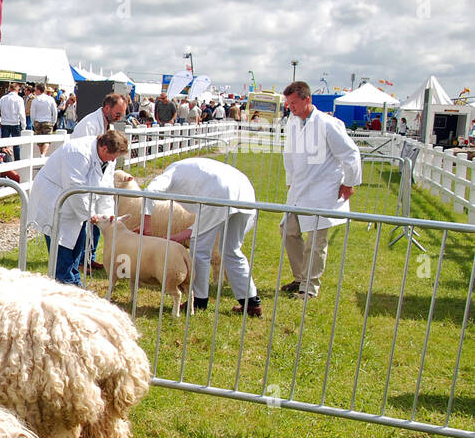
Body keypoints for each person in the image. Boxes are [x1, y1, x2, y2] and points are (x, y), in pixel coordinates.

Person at [144, 157, 262, 315]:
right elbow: (204, 221)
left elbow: (150, 191)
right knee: (231, 250)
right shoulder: (191, 171)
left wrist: (147, 223)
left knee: (199, 250)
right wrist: (178, 236)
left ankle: (198, 301)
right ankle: (252, 303)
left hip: (218, 192)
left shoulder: (170, 174)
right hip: (244, 189)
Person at [280, 80, 362, 299]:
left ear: (308, 99)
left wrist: (349, 182)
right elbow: (289, 155)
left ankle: (309, 288)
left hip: (324, 191)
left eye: (294, 103)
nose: (291, 107)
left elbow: (350, 154)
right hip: (299, 189)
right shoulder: (293, 123)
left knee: (316, 243)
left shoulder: (328, 124)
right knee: (288, 230)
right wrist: (290, 180)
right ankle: (300, 277)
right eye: (288, 103)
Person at [25, 129, 129, 286]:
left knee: (77, 244)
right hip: (55, 201)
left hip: (76, 206)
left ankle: (74, 284)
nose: (114, 160)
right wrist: (91, 215)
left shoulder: (107, 159)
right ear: (104, 148)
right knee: (61, 248)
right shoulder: (77, 152)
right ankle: (65, 285)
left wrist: (107, 216)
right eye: (113, 156)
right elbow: (74, 188)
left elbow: (106, 188)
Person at [73, 93, 128, 269]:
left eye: (122, 114)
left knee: (99, 218)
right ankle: (80, 259)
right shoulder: (89, 125)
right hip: (86, 178)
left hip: (99, 179)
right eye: (117, 113)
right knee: (84, 219)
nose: (119, 117)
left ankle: (89, 257)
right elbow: (83, 154)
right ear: (107, 108)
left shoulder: (107, 124)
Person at [0, 83, 26, 158]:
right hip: (15, 123)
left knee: (3, 144)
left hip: (5, 123)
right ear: (17, 90)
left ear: (10, 89)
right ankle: (17, 160)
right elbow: (22, 113)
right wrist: (23, 125)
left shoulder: (3, 98)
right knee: (16, 144)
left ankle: (4, 159)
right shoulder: (19, 99)